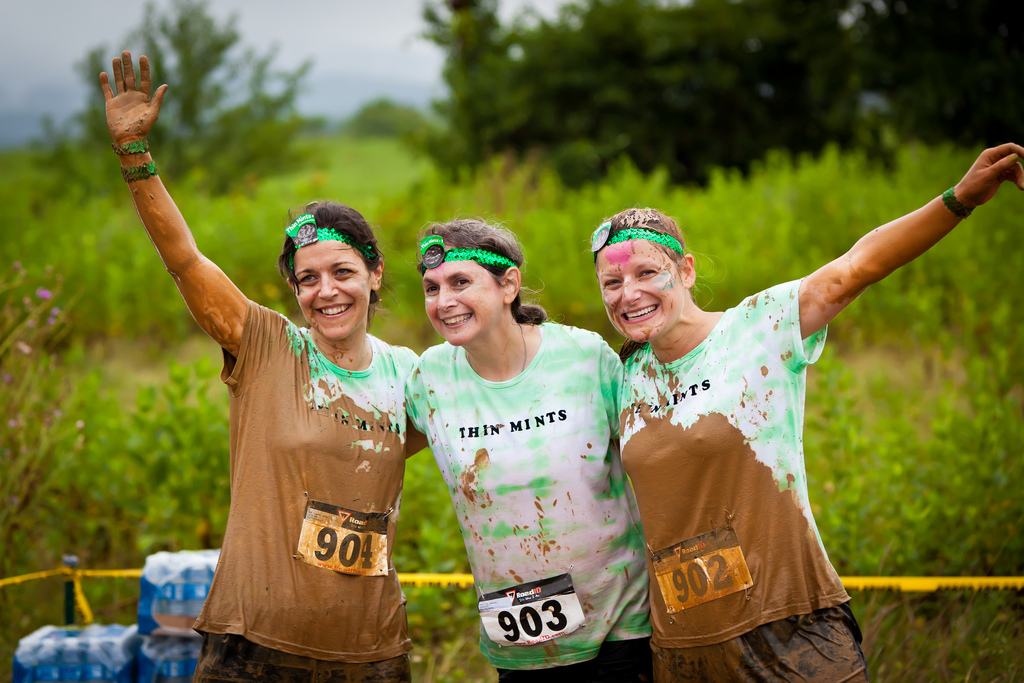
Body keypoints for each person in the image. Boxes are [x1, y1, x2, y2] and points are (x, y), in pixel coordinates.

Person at [589, 144, 1024, 681]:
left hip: (791, 625)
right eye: (612, 283)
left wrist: (959, 200)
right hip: (683, 648)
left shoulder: (757, 329)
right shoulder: (618, 378)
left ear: (685, 270)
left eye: (646, 273)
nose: (629, 294)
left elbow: (856, 267)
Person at [99, 51, 423, 682]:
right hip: (254, 645)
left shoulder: (410, 374)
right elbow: (186, 260)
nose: (325, 291)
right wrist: (135, 156)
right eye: (307, 279)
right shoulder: (267, 347)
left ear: (375, 274)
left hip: (372, 648)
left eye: (342, 273)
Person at [404, 220, 653, 681]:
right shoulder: (429, 378)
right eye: (431, 288)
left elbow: (656, 461)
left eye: (461, 283)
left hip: (621, 629)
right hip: (521, 647)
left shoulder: (585, 356)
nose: (444, 302)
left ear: (509, 284)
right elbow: (371, 451)